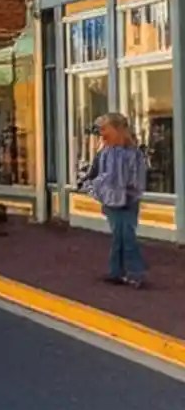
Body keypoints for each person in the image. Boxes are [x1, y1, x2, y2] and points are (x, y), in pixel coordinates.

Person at [79, 112, 149, 289]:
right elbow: (94, 174)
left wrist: (130, 196)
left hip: (127, 202)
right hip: (111, 201)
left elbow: (138, 179)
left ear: (118, 130)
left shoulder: (134, 154)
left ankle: (133, 272)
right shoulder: (105, 153)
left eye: (104, 129)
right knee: (119, 236)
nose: (101, 133)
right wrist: (94, 189)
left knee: (127, 236)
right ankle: (117, 271)